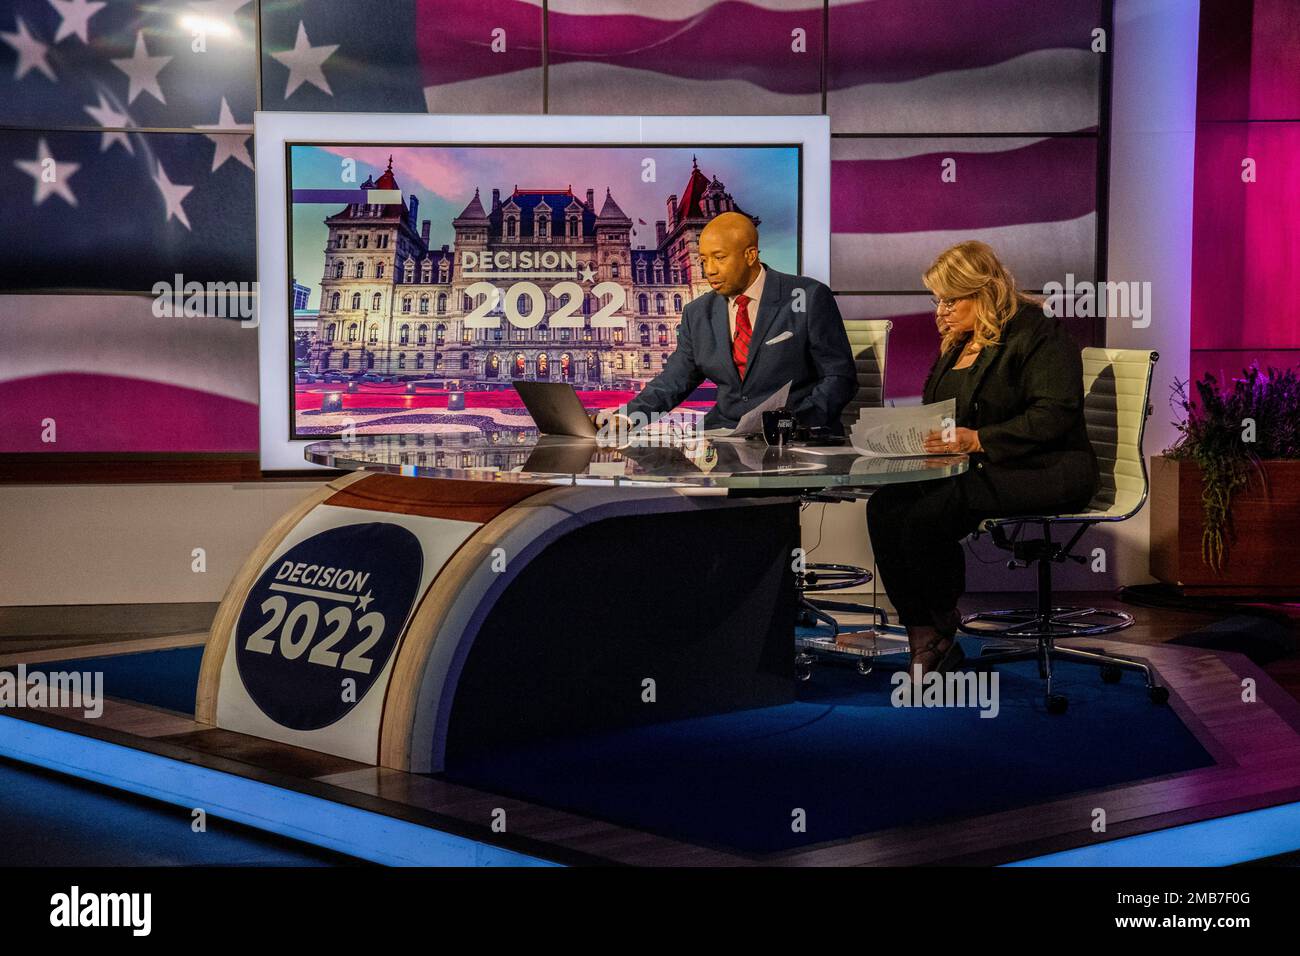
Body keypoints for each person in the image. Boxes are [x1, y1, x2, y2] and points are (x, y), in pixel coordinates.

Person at [866, 241, 1100, 675]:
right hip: (979, 466)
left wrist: (979, 440)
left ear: (984, 291)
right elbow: (946, 411)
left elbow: (1054, 413)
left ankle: (939, 631)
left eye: (952, 300)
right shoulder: (959, 341)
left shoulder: (1037, 331)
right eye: (938, 301)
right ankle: (922, 631)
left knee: (929, 516)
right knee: (885, 507)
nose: (942, 311)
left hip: (1047, 467)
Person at [595, 212, 856, 433]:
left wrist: (794, 423)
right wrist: (627, 417)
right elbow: (674, 380)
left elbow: (839, 377)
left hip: (794, 440)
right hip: (723, 439)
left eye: (719, 258)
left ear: (750, 255)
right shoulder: (697, 312)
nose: (709, 270)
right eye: (703, 260)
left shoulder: (808, 296)